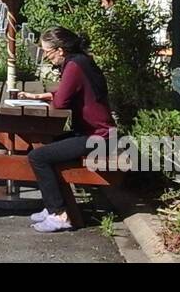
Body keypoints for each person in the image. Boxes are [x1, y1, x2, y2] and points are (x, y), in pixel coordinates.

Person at [18, 26, 117, 233]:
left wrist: (48, 97)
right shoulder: (81, 61)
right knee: (45, 148)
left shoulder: (73, 66)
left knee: (39, 156)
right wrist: (41, 96)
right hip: (98, 133)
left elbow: (62, 102)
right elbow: (70, 92)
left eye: (47, 52)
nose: (46, 57)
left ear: (60, 50)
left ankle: (59, 215)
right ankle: (52, 205)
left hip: (98, 137)